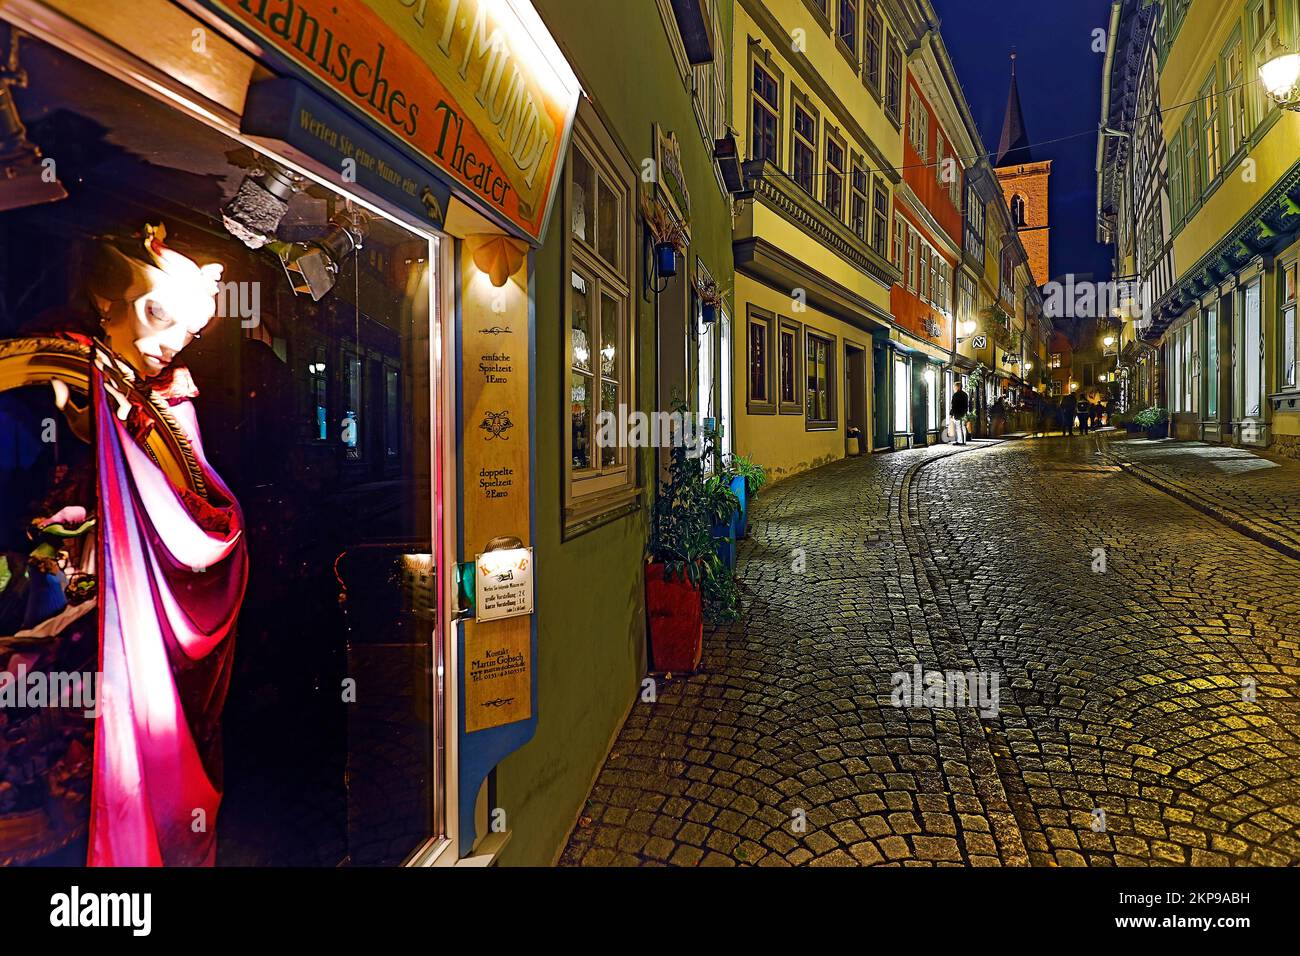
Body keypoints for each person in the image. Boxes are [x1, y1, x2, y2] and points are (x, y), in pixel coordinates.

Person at [46, 224, 247, 867]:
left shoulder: (162, 397)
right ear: (107, 301)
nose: (166, 347)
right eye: (158, 321)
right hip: (82, 595)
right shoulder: (67, 369)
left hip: (122, 593)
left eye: (184, 338)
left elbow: (195, 498)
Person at [949, 380, 969, 445]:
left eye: (954, 387)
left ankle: (960, 441)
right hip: (963, 413)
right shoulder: (965, 394)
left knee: (958, 427)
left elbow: (954, 405)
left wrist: (951, 413)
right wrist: (966, 412)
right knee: (963, 426)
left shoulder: (956, 395)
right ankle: (964, 441)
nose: (953, 388)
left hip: (957, 413)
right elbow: (967, 405)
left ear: (957, 387)